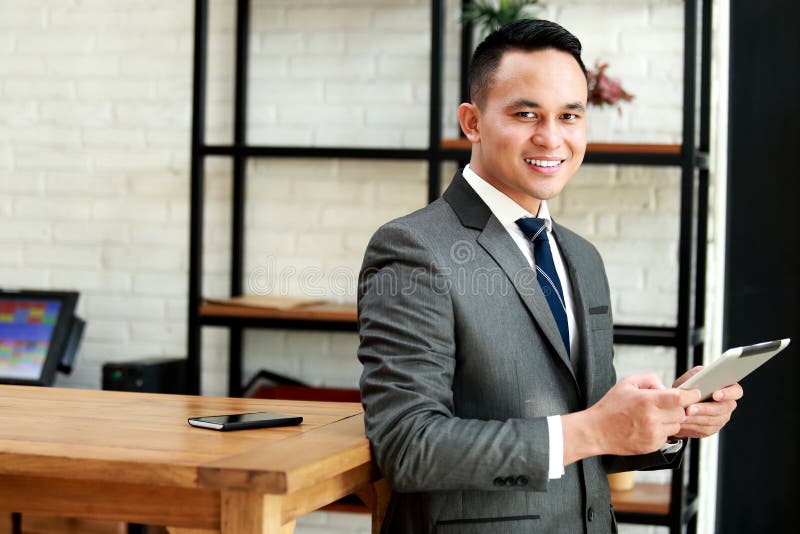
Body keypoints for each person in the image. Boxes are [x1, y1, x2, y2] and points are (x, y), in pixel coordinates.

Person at [357, 19, 741, 534]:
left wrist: (669, 420)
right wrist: (591, 429)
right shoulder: (412, 249)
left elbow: (593, 441)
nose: (551, 138)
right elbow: (408, 448)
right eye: (526, 114)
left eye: (569, 116)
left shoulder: (582, 257)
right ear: (471, 122)